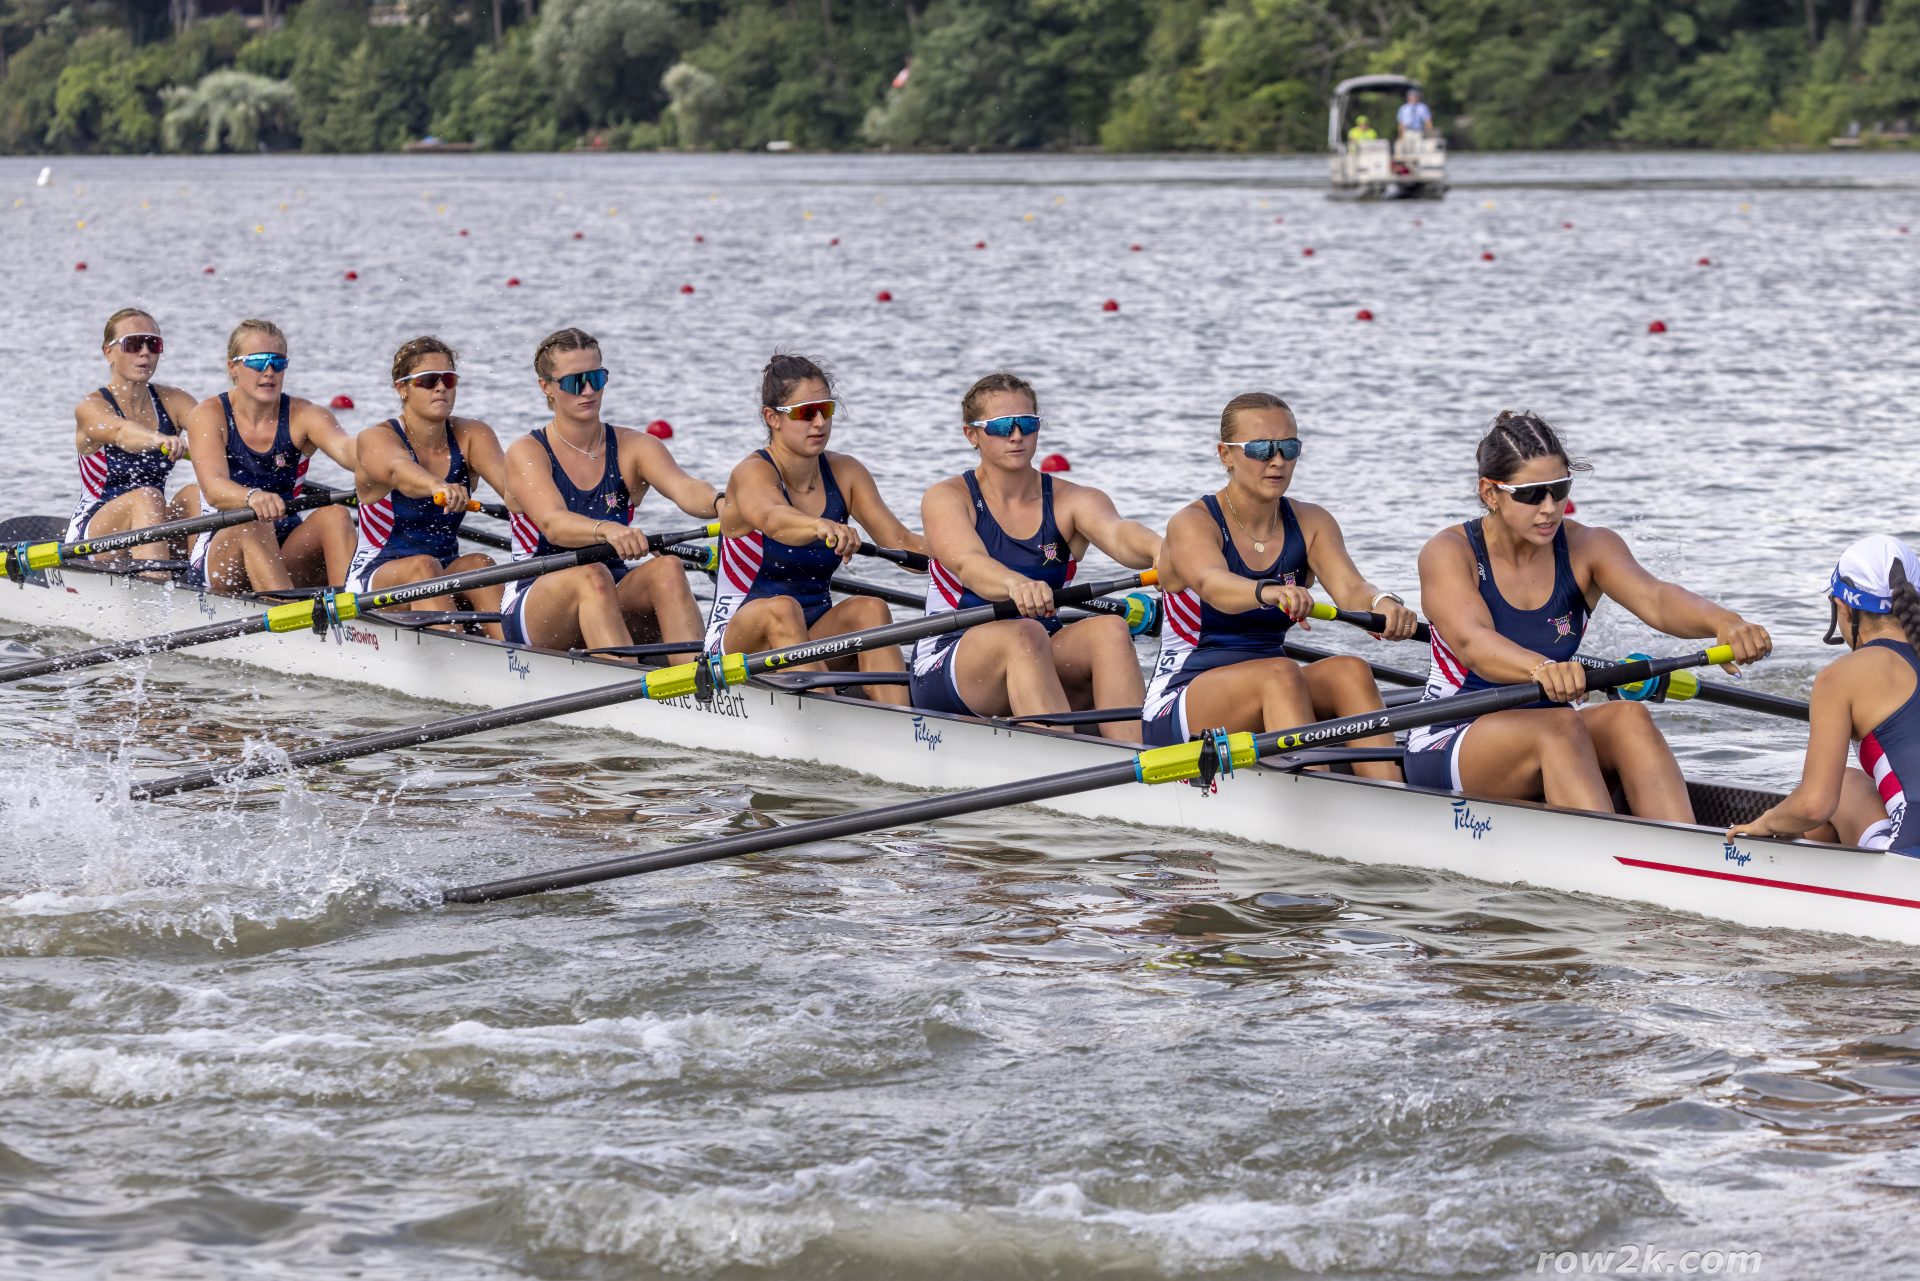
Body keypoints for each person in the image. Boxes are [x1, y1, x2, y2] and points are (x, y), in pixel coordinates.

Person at [1407, 410, 1771, 818]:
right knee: (1561, 726)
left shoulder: (1588, 547)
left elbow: (1655, 598)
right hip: (1452, 735)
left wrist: (1724, 622)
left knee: (1629, 717)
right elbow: (1473, 641)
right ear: (1490, 493)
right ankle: (1608, 850)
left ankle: (1683, 845)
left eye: (1560, 489)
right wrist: (1540, 668)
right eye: (1532, 494)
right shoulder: (1449, 552)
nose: (1550, 508)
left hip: (1555, 733)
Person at [1144, 393, 1419, 779]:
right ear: (1226, 454)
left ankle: (1388, 793)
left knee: (1350, 671)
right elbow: (1213, 584)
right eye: (1261, 449)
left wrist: (1383, 603)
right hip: (1182, 700)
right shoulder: (1192, 522)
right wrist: (1268, 591)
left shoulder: (1311, 522)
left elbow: (1352, 589)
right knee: (1281, 673)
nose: (1277, 461)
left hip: (1274, 682)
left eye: (1289, 448)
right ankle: (1317, 794)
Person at [914, 372, 1161, 741]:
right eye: (1001, 426)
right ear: (972, 435)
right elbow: (969, 563)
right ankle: (1057, 757)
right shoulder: (947, 498)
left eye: (1027, 423)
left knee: (1110, 628)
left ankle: (1134, 755)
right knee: (1024, 633)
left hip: (1038, 649)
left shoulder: (1072, 500)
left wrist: (1162, 550)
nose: (1016, 435)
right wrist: (1015, 584)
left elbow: (1119, 534)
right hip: (951, 662)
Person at [707, 353, 926, 703]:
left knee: (870, 608)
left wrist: (975, 558)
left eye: (826, 409)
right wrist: (820, 526)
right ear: (772, 418)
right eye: (806, 412)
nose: (820, 422)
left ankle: (902, 721)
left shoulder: (846, 472)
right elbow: (775, 520)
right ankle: (829, 715)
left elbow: (902, 543)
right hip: (739, 641)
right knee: (782, 608)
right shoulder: (751, 474)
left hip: (812, 636)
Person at [502, 327, 717, 660]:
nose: (588, 391)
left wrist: (722, 503)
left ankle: (696, 677)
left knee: (668, 568)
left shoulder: (634, 447)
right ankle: (627, 678)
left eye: (596, 378)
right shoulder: (528, 452)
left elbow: (686, 488)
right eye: (574, 382)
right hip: (535, 600)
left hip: (610, 588)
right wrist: (607, 530)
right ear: (546, 387)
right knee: (592, 575)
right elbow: (553, 524)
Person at [1728, 536, 1920, 854]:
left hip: (1909, 862)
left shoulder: (1841, 676)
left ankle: (1793, 872)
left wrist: (1767, 822)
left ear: (1843, 608)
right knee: (1847, 783)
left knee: (1834, 792)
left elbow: (1814, 806)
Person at [345, 337, 510, 635]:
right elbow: (399, 471)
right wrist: (437, 486)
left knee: (481, 564)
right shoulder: (376, 438)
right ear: (402, 388)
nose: (441, 387)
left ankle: (515, 653)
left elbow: (515, 493)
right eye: (428, 380)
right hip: (375, 579)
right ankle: (457, 651)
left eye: (449, 379)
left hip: (443, 567)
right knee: (423, 567)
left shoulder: (473, 435)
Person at [184, 318, 357, 592]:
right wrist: (251, 497)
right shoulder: (208, 415)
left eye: (277, 362)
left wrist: (400, 463)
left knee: (335, 515)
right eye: (257, 361)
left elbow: (349, 452)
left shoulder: (306, 415)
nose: (269, 371)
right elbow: (214, 488)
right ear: (233, 367)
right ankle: (285, 611)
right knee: (253, 523)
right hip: (221, 550)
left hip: (284, 543)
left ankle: (353, 610)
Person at [67, 307, 202, 564]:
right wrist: (158, 439)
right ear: (108, 352)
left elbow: (214, 436)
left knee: (196, 494)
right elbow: (120, 433)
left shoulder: (175, 401)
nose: (145, 352)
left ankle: (200, 577)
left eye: (153, 344)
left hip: (150, 521)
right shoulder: (91, 407)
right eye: (133, 344)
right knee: (147, 496)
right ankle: (155, 580)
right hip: (93, 536)